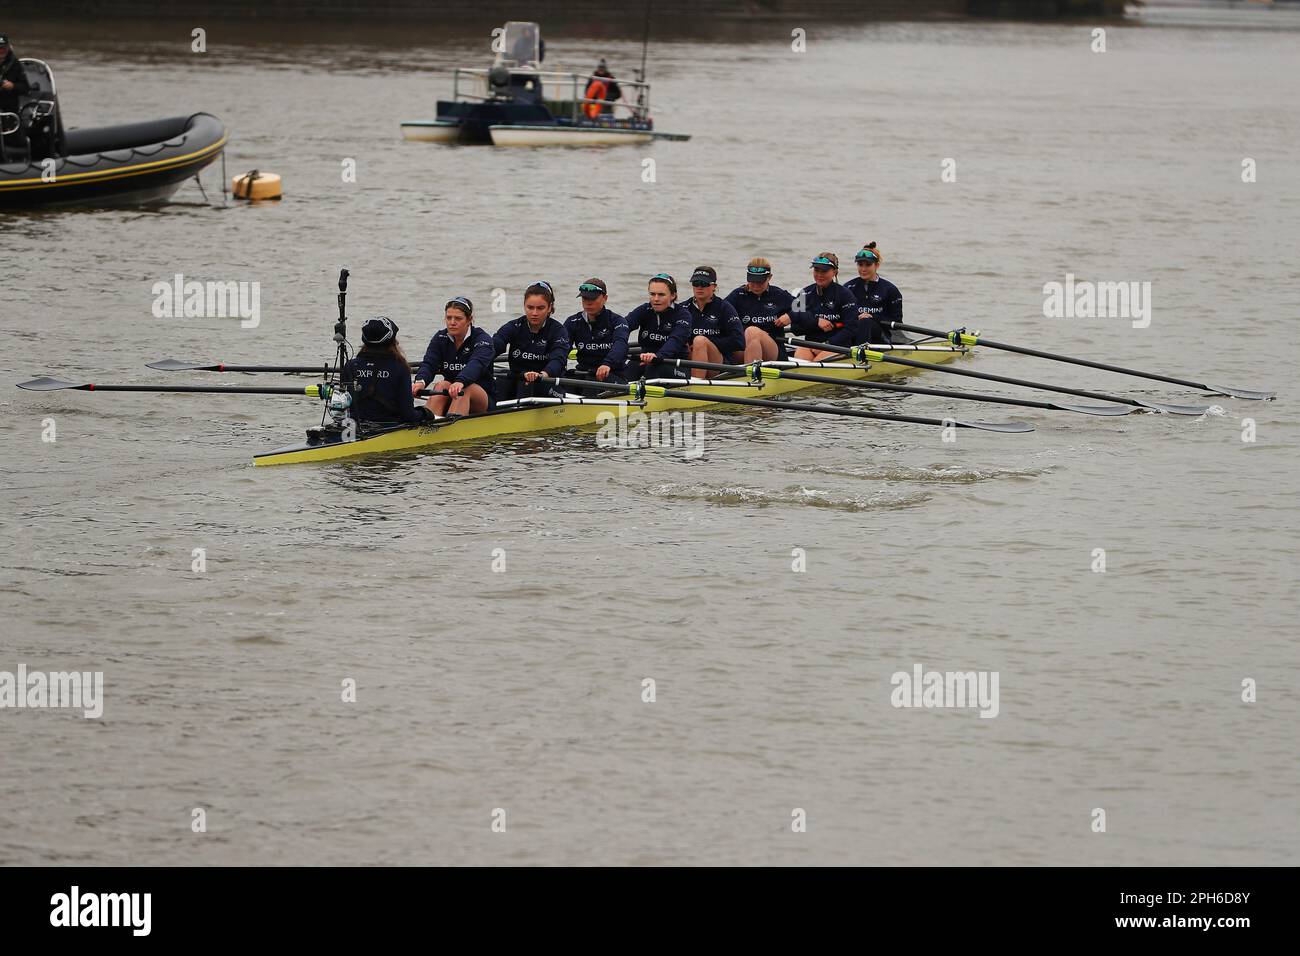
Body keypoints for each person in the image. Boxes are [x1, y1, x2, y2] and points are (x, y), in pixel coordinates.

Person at [341, 317, 434, 427]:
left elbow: (342, 407)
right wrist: (425, 414)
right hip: (387, 426)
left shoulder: (350, 365)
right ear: (392, 340)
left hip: (352, 426)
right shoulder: (400, 368)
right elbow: (408, 415)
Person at [413, 297, 497, 417]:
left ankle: (451, 429)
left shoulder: (482, 339)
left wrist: (461, 381)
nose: (452, 322)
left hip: (482, 399)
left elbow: (477, 364)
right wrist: (420, 382)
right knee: (441, 385)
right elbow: (429, 364)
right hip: (452, 392)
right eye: (449, 318)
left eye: (458, 318)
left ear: (469, 320)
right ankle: (428, 426)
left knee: (464, 389)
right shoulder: (440, 338)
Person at [492, 281, 571, 401]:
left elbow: (558, 359)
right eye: (530, 307)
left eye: (540, 308)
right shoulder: (514, 326)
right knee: (501, 382)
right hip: (518, 378)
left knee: (528, 384)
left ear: (549, 308)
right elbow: (494, 345)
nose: (534, 313)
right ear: (524, 306)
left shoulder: (558, 330)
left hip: (547, 382)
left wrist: (543, 374)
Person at [790, 252, 861, 362]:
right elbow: (795, 328)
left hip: (837, 345)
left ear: (835, 272)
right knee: (800, 362)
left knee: (816, 364)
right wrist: (815, 321)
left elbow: (851, 329)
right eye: (816, 270)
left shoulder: (846, 295)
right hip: (810, 344)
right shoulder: (803, 294)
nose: (819, 275)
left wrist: (827, 344)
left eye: (824, 271)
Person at [725, 258, 795, 363]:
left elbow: (806, 309)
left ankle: (752, 376)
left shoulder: (779, 295)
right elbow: (718, 315)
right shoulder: (737, 295)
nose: (756, 285)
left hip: (772, 350)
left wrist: (791, 316)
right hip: (744, 347)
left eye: (760, 281)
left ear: (769, 277)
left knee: (752, 331)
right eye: (752, 280)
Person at [626, 273, 693, 381]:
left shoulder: (683, 315)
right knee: (630, 368)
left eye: (661, 295)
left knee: (653, 368)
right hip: (647, 360)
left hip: (674, 364)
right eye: (652, 294)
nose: (656, 299)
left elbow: (675, 340)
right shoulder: (644, 310)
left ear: (673, 296)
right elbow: (623, 327)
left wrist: (658, 356)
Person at [563, 278, 630, 386]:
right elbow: (561, 348)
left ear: (605, 298)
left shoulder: (617, 321)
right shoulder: (572, 322)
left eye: (593, 298)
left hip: (612, 374)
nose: (588, 303)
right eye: (585, 298)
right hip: (583, 372)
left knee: (591, 380)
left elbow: (621, 344)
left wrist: (607, 364)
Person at [681, 266, 744, 377]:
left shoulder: (725, 308)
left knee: (700, 341)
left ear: (714, 286)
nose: (699, 287)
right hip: (690, 357)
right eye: (696, 283)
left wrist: (707, 342)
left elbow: (739, 341)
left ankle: (695, 386)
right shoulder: (683, 308)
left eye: (704, 284)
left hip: (719, 363)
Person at [844, 242, 904, 345]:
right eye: (860, 264)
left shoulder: (890, 290)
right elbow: (842, 314)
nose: (863, 269)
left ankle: (861, 354)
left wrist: (872, 317)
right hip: (854, 332)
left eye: (868, 265)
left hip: (880, 336)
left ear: (877, 265)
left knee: (866, 322)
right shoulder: (848, 288)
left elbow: (897, 322)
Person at [0, 34, 32, 158]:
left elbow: (25, 88)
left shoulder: (15, 65)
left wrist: (12, 86)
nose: (1, 53)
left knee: (18, 141)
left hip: (10, 112)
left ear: (8, 49)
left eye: (3, 49)